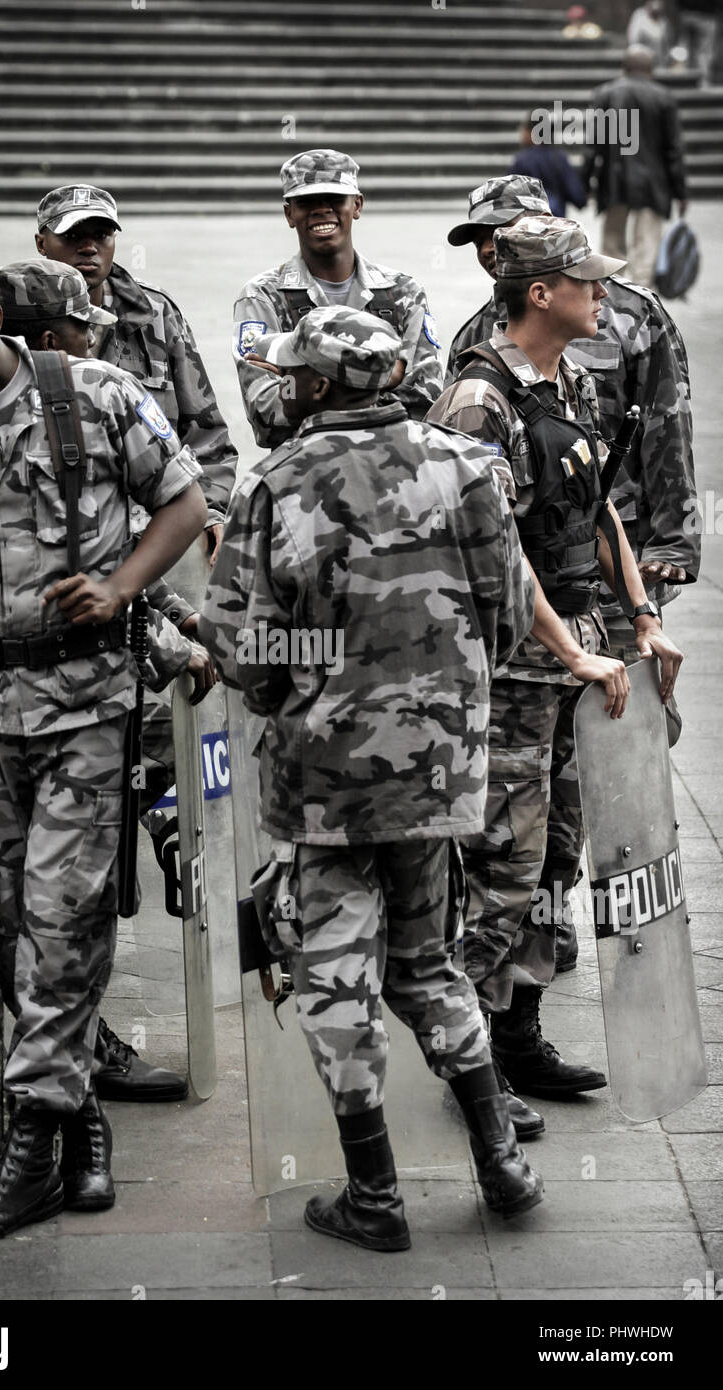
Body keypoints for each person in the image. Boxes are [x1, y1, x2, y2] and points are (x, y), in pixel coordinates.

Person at [201, 305, 543, 1252]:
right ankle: (503, 1162)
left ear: (316, 385)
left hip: (326, 785)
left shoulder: (276, 480)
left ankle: (377, 1198)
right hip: (438, 775)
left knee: (337, 981)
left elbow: (244, 651)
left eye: (291, 375)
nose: (281, 385)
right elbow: (508, 615)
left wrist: (303, 682)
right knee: (429, 964)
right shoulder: (466, 467)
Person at [0, 251, 207, 1241]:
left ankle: (28, 1151)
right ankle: (84, 1132)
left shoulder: (96, 393)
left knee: (65, 919)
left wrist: (120, 588)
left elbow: (186, 504)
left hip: (82, 703)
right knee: (23, 925)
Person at [428, 218, 683, 1136]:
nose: (604, 294)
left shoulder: (565, 377)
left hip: (573, 661)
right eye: (589, 282)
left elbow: (600, 506)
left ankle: (516, 1033)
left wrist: (640, 620)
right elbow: (492, 549)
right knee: (502, 868)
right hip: (510, 674)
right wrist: (572, 650)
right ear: (543, 294)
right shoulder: (477, 403)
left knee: (557, 861)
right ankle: (468, 1063)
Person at [0, 257, 218, 1103]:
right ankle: (65, 1073)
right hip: (2, 705)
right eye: (85, 328)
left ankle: (72, 1063)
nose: (99, 339)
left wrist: (167, 624)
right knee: (30, 907)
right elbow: (43, 568)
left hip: (88, 698)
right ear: (49, 340)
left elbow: (106, 549)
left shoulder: (103, 397)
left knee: (72, 901)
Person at [447, 175, 698, 682]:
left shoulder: (631, 314)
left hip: (617, 553)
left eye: (503, 230)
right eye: (481, 237)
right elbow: (481, 521)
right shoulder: (476, 344)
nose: (491, 246)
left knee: (630, 722)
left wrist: (673, 545)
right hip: (533, 582)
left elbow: (667, 426)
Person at [34, 183, 236, 562]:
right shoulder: (15, 318)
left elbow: (207, 433)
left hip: (155, 522)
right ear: (41, 243)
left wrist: (211, 509)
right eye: (73, 235)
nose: (89, 246)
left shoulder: (155, 314)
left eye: (102, 234)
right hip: (55, 527)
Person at [233, 148, 443, 450]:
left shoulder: (403, 293)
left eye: (334, 199)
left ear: (356, 205)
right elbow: (265, 413)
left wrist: (308, 379)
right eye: (306, 202)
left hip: (393, 471)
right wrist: (385, 375)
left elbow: (426, 399)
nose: (321, 210)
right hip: (302, 476)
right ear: (289, 213)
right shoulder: (262, 297)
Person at [584, 45, 687, 287]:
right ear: (651, 69)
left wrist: (585, 181)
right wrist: (680, 191)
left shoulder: (605, 94)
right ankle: (641, 295)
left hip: (614, 181)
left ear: (625, 67)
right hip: (653, 183)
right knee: (647, 245)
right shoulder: (663, 97)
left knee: (612, 244)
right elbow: (674, 149)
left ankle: (614, 293)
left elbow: (593, 146)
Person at [509, 112, 587, 218]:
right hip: (555, 225)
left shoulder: (521, 160)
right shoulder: (559, 158)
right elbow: (579, 198)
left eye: (524, 129)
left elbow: (507, 197)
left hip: (528, 226)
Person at [627, 1, 670, 67]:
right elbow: (633, 41)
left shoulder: (663, 21)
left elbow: (666, 45)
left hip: (659, 62)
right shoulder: (639, 16)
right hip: (642, 61)